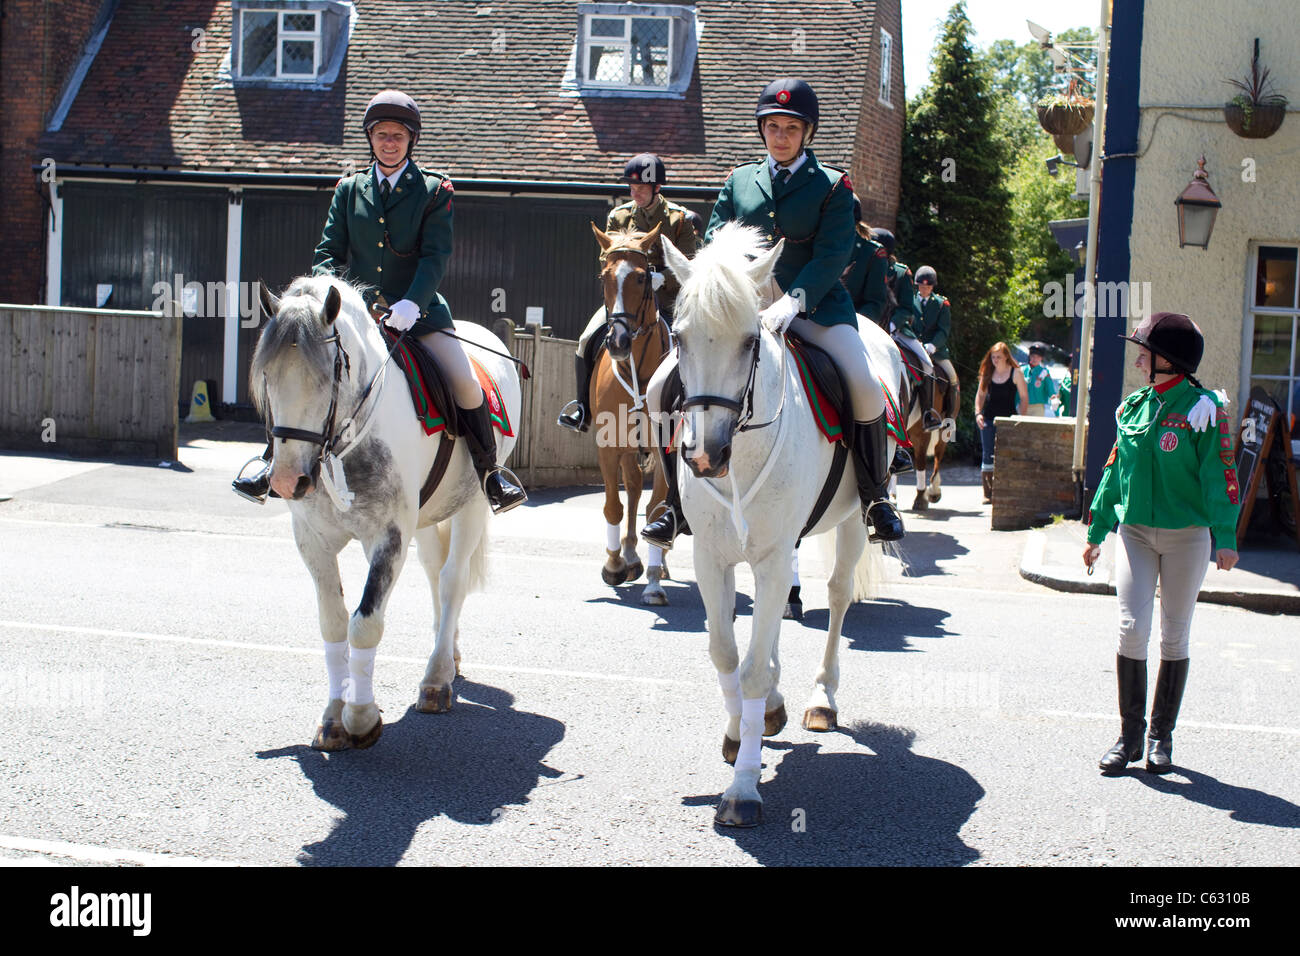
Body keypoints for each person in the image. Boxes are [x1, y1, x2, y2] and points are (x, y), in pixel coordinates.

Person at [640, 77, 906, 549]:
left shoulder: (832, 185)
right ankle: (674, 505)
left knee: (865, 386)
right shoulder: (739, 181)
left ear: (807, 133)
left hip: (816, 310)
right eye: (772, 127)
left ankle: (874, 497)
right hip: (743, 312)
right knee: (661, 386)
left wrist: (794, 299)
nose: (780, 137)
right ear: (762, 129)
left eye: (791, 128)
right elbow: (715, 244)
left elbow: (833, 253)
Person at [233, 90, 525, 514]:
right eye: (382, 135)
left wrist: (412, 304)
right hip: (356, 316)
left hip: (419, 315)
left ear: (411, 141)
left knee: (465, 383)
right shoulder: (349, 190)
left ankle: (490, 473)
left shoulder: (433, 190)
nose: (390, 143)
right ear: (370, 138)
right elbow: (327, 254)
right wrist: (343, 296)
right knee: (300, 372)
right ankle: (269, 462)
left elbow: (435, 256)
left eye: (398, 136)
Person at [1083, 312, 1239, 775]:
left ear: (1168, 360)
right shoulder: (1133, 408)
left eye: (1144, 353)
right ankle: (1129, 737)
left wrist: (1225, 536)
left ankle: (1159, 737)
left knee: (1174, 633)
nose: (1137, 361)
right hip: (1134, 533)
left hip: (1186, 536)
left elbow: (1221, 476)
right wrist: (1096, 531)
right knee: (1131, 628)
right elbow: (1114, 471)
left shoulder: (1202, 410)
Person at [557, 153, 699, 433]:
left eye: (642, 188)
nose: (635, 193)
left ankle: (693, 408)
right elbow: (607, 261)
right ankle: (582, 407)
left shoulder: (679, 219)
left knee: (694, 343)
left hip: (668, 301)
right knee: (586, 339)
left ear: (657, 188)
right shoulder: (618, 217)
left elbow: (689, 265)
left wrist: (661, 278)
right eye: (632, 187)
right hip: (625, 301)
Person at [973, 341, 1028, 504]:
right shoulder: (987, 373)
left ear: (1006, 357)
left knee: (1007, 453)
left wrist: (1021, 417)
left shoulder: (1016, 373)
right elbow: (980, 395)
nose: (995, 360)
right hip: (989, 418)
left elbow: (1024, 398)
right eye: (993, 357)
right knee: (987, 454)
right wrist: (978, 413)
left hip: (1008, 420)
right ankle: (987, 492)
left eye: (998, 357)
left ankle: (1005, 489)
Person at [914, 265, 957, 428]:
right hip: (914, 348)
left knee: (952, 377)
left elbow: (944, 330)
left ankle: (950, 416)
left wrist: (933, 345)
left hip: (935, 351)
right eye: (921, 286)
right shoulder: (910, 301)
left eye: (928, 286)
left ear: (932, 287)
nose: (924, 289)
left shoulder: (941, 304)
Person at [1022, 344, 1054, 416]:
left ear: (1041, 358)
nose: (1035, 359)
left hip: (1038, 407)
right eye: (1033, 356)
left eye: (1038, 357)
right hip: (1022, 405)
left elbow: (1050, 389)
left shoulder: (1044, 372)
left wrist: (1054, 398)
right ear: (1029, 356)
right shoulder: (1022, 370)